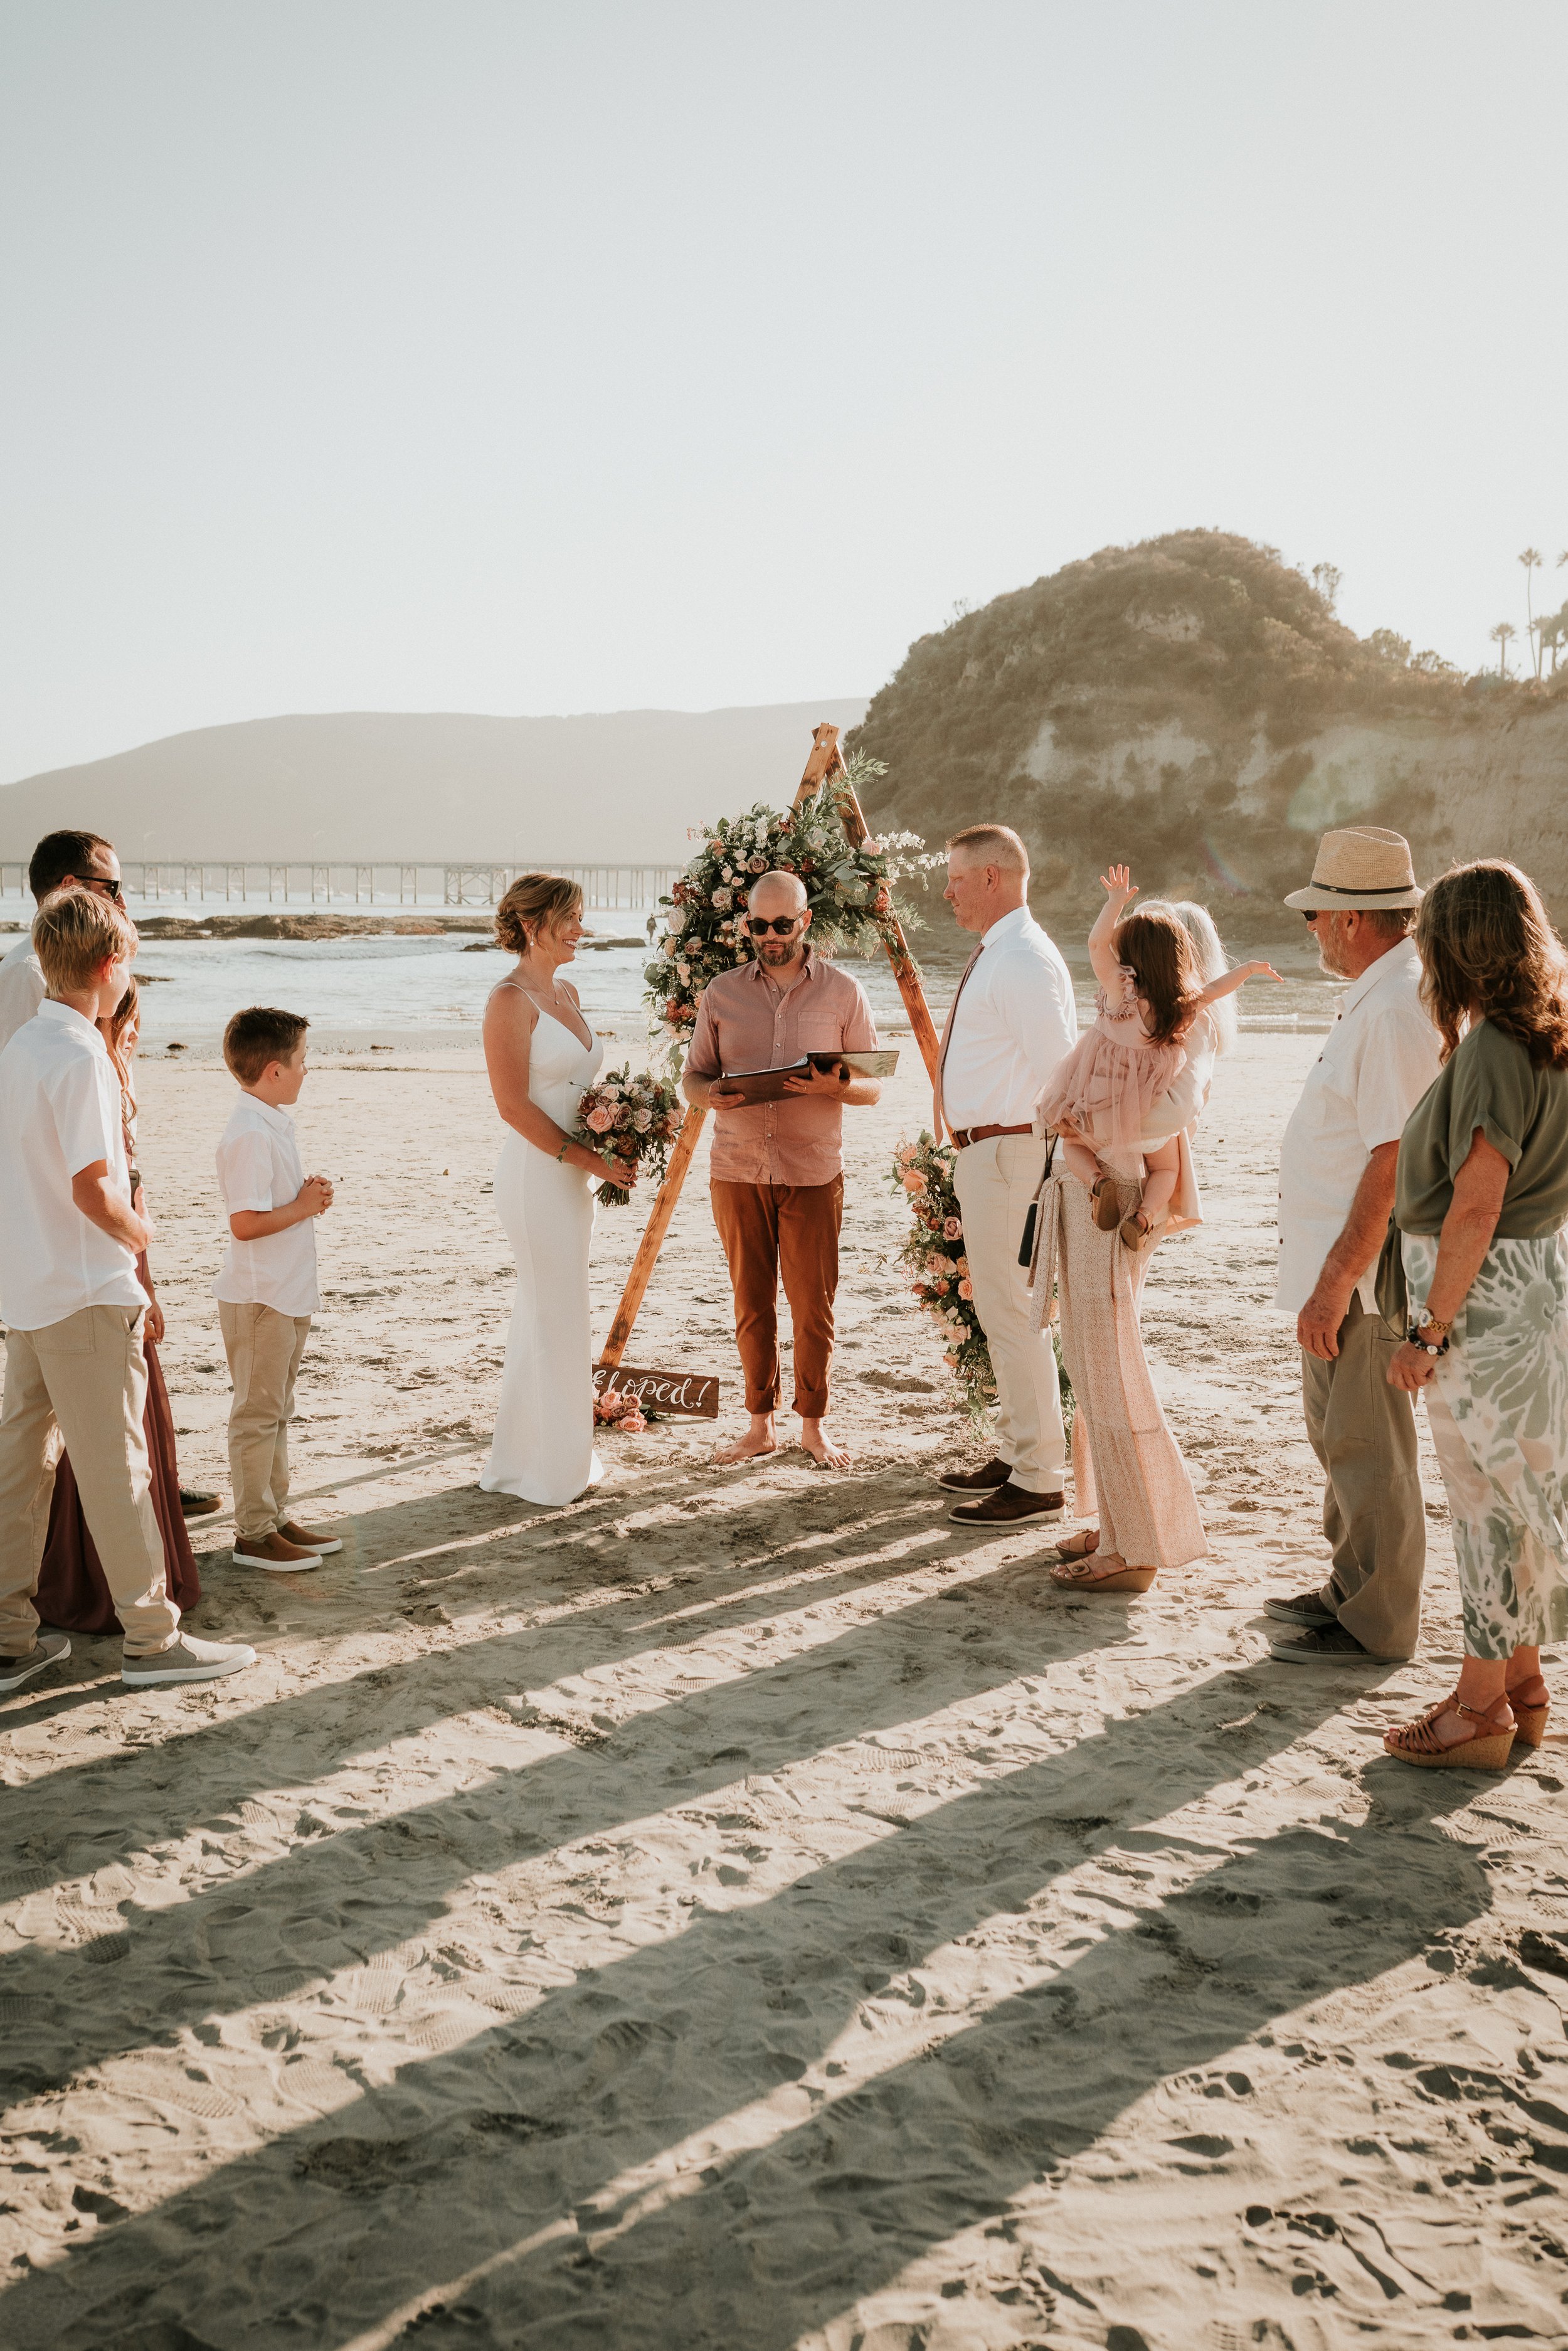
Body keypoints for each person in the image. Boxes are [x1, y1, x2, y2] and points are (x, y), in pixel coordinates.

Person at [0, 888, 254, 1692]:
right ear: (111, 966)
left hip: (28, 1286)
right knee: (120, 1468)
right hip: (83, 1288)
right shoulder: (80, 1055)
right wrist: (143, 1238)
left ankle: (8, 1638)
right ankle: (152, 1637)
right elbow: (93, 1188)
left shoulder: (19, 1047)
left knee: (20, 1471)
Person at [1382, 861, 1568, 1769]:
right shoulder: (1548, 1037)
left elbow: (1478, 1204)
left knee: (1486, 1504)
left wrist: (1429, 1330)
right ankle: (1526, 1683)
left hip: (1485, 1298)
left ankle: (1480, 1703)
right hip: (1531, 1286)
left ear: (1458, 948)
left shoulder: (1496, 1046)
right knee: (1515, 1494)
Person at [0, 830, 221, 1519]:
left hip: (94, 1184)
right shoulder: (29, 979)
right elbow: (35, 1107)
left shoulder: (66, 987)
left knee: (114, 1377)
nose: (126, 900)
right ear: (69, 887)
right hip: (73, 1216)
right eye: (111, 886)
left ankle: (149, 1486)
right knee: (82, 1390)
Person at [1266, 826, 1443, 1665]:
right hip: (1339, 1271)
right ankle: (1351, 1590)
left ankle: (1377, 1621)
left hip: (1365, 1280)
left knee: (1368, 1444)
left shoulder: (1398, 1007)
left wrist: (1337, 1280)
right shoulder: (1379, 996)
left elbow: (1395, 1155)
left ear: (1351, 920)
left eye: (1317, 915)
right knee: (1342, 1439)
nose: (1311, 929)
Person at [682, 868, 881, 1470]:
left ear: (806, 921)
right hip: (737, 1169)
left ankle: (813, 1428)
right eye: (759, 926)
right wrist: (706, 1096)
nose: (771, 936)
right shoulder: (720, 993)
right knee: (751, 1303)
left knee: (812, 1305)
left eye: (782, 924)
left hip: (813, 1172)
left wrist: (836, 1086)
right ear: (747, 925)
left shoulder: (844, 992)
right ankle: (759, 1426)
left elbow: (872, 1086)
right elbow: (693, 1075)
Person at [34, 977, 202, 1629]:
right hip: (106, 1276)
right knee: (114, 1441)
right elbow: (109, 1200)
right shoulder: (92, 1077)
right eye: (127, 1031)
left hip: (87, 1277)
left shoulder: (63, 1061)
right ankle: (126, 1602)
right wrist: (144, 1249)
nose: (132, 1042)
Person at [933, 824, 1077, 1524]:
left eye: (957, 877)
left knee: (1015, 1316)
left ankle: (1039, 1475)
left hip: (1011, 1155)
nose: (947, 889)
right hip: (990, 1154)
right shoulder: (1002, 952)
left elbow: (1059, 1070)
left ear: (992, 877)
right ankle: (1022, 1448)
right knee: (999, 1313)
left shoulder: (1020, 958)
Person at [480, 874, 637, 1507]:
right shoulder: (508, 1000)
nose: (580, 929)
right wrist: (593, 1161)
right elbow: (514, 1106)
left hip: (572, 1175)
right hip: (535, 1177)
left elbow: (577, 1090)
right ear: (530, 923)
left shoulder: (566, 990)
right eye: (569, 918)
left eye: (580, 917)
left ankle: (522, 1458)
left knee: (545, 1309)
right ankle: (553, 1470)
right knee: (556, 1310)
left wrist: (623, 1124)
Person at [1037, 864, 1279, 1245]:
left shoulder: (1120, 992)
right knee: (1168, 1168)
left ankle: (1098, 1183)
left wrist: (1116, 902)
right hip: (1149, 1112)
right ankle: (1146, 1218)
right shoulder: (1180, 1005)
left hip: (1101, 1104)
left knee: (1073, 1143)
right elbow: (1216, 989)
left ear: (1128, 955)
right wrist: (1247, 969)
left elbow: (1097, 944)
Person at [215, 1007, 340, 1569]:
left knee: (278, 1410)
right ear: (273, 1071)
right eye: (302, 1062)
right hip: (260, 1296)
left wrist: (305, 1193)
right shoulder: (248, 1134)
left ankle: (274, 1514)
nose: (307, 1071)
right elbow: (244, 1223)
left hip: (286, 1290)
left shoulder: (269, 1124)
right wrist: (302, 1206)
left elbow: (273, 1206)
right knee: (257, 1413)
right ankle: (253, 1532)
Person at [0, 829, 121, 1054]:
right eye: (110, 888)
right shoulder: (27, 972)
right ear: (69, 887)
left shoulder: (74, 966)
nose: (120, 902)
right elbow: (14, 1074)